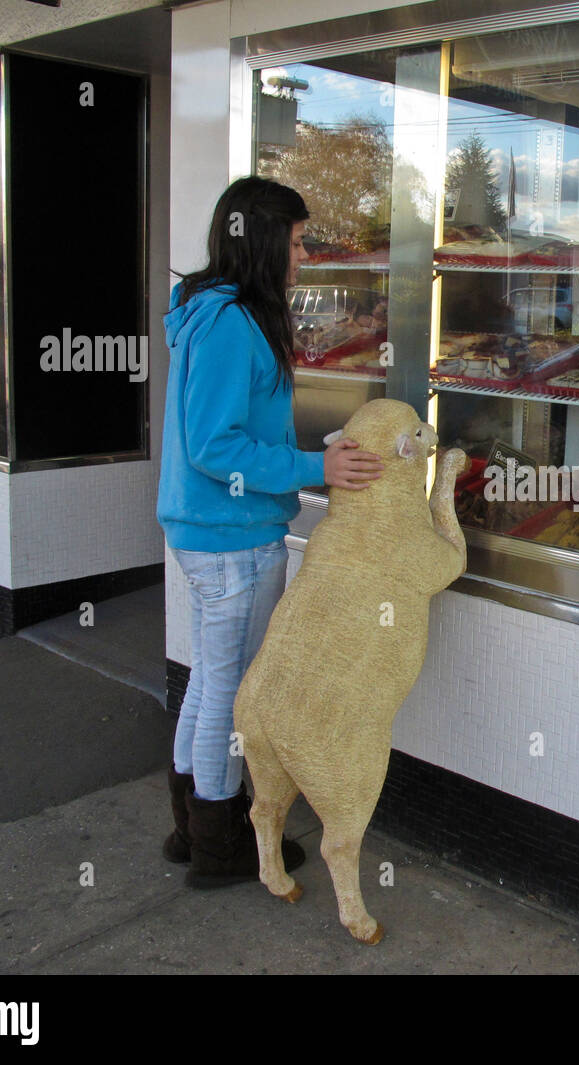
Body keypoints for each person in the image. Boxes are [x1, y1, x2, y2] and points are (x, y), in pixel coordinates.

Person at [156, 176, 383, 888]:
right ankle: (221, 843)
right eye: (295, 239)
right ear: (259, 241)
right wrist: (317, 464)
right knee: (231, 690)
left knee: (210, 679)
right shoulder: (229, 323)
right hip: (233, 536)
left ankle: (194, 827)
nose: (304, 253)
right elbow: (213, 445)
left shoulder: (210, 310)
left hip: (211, 531)